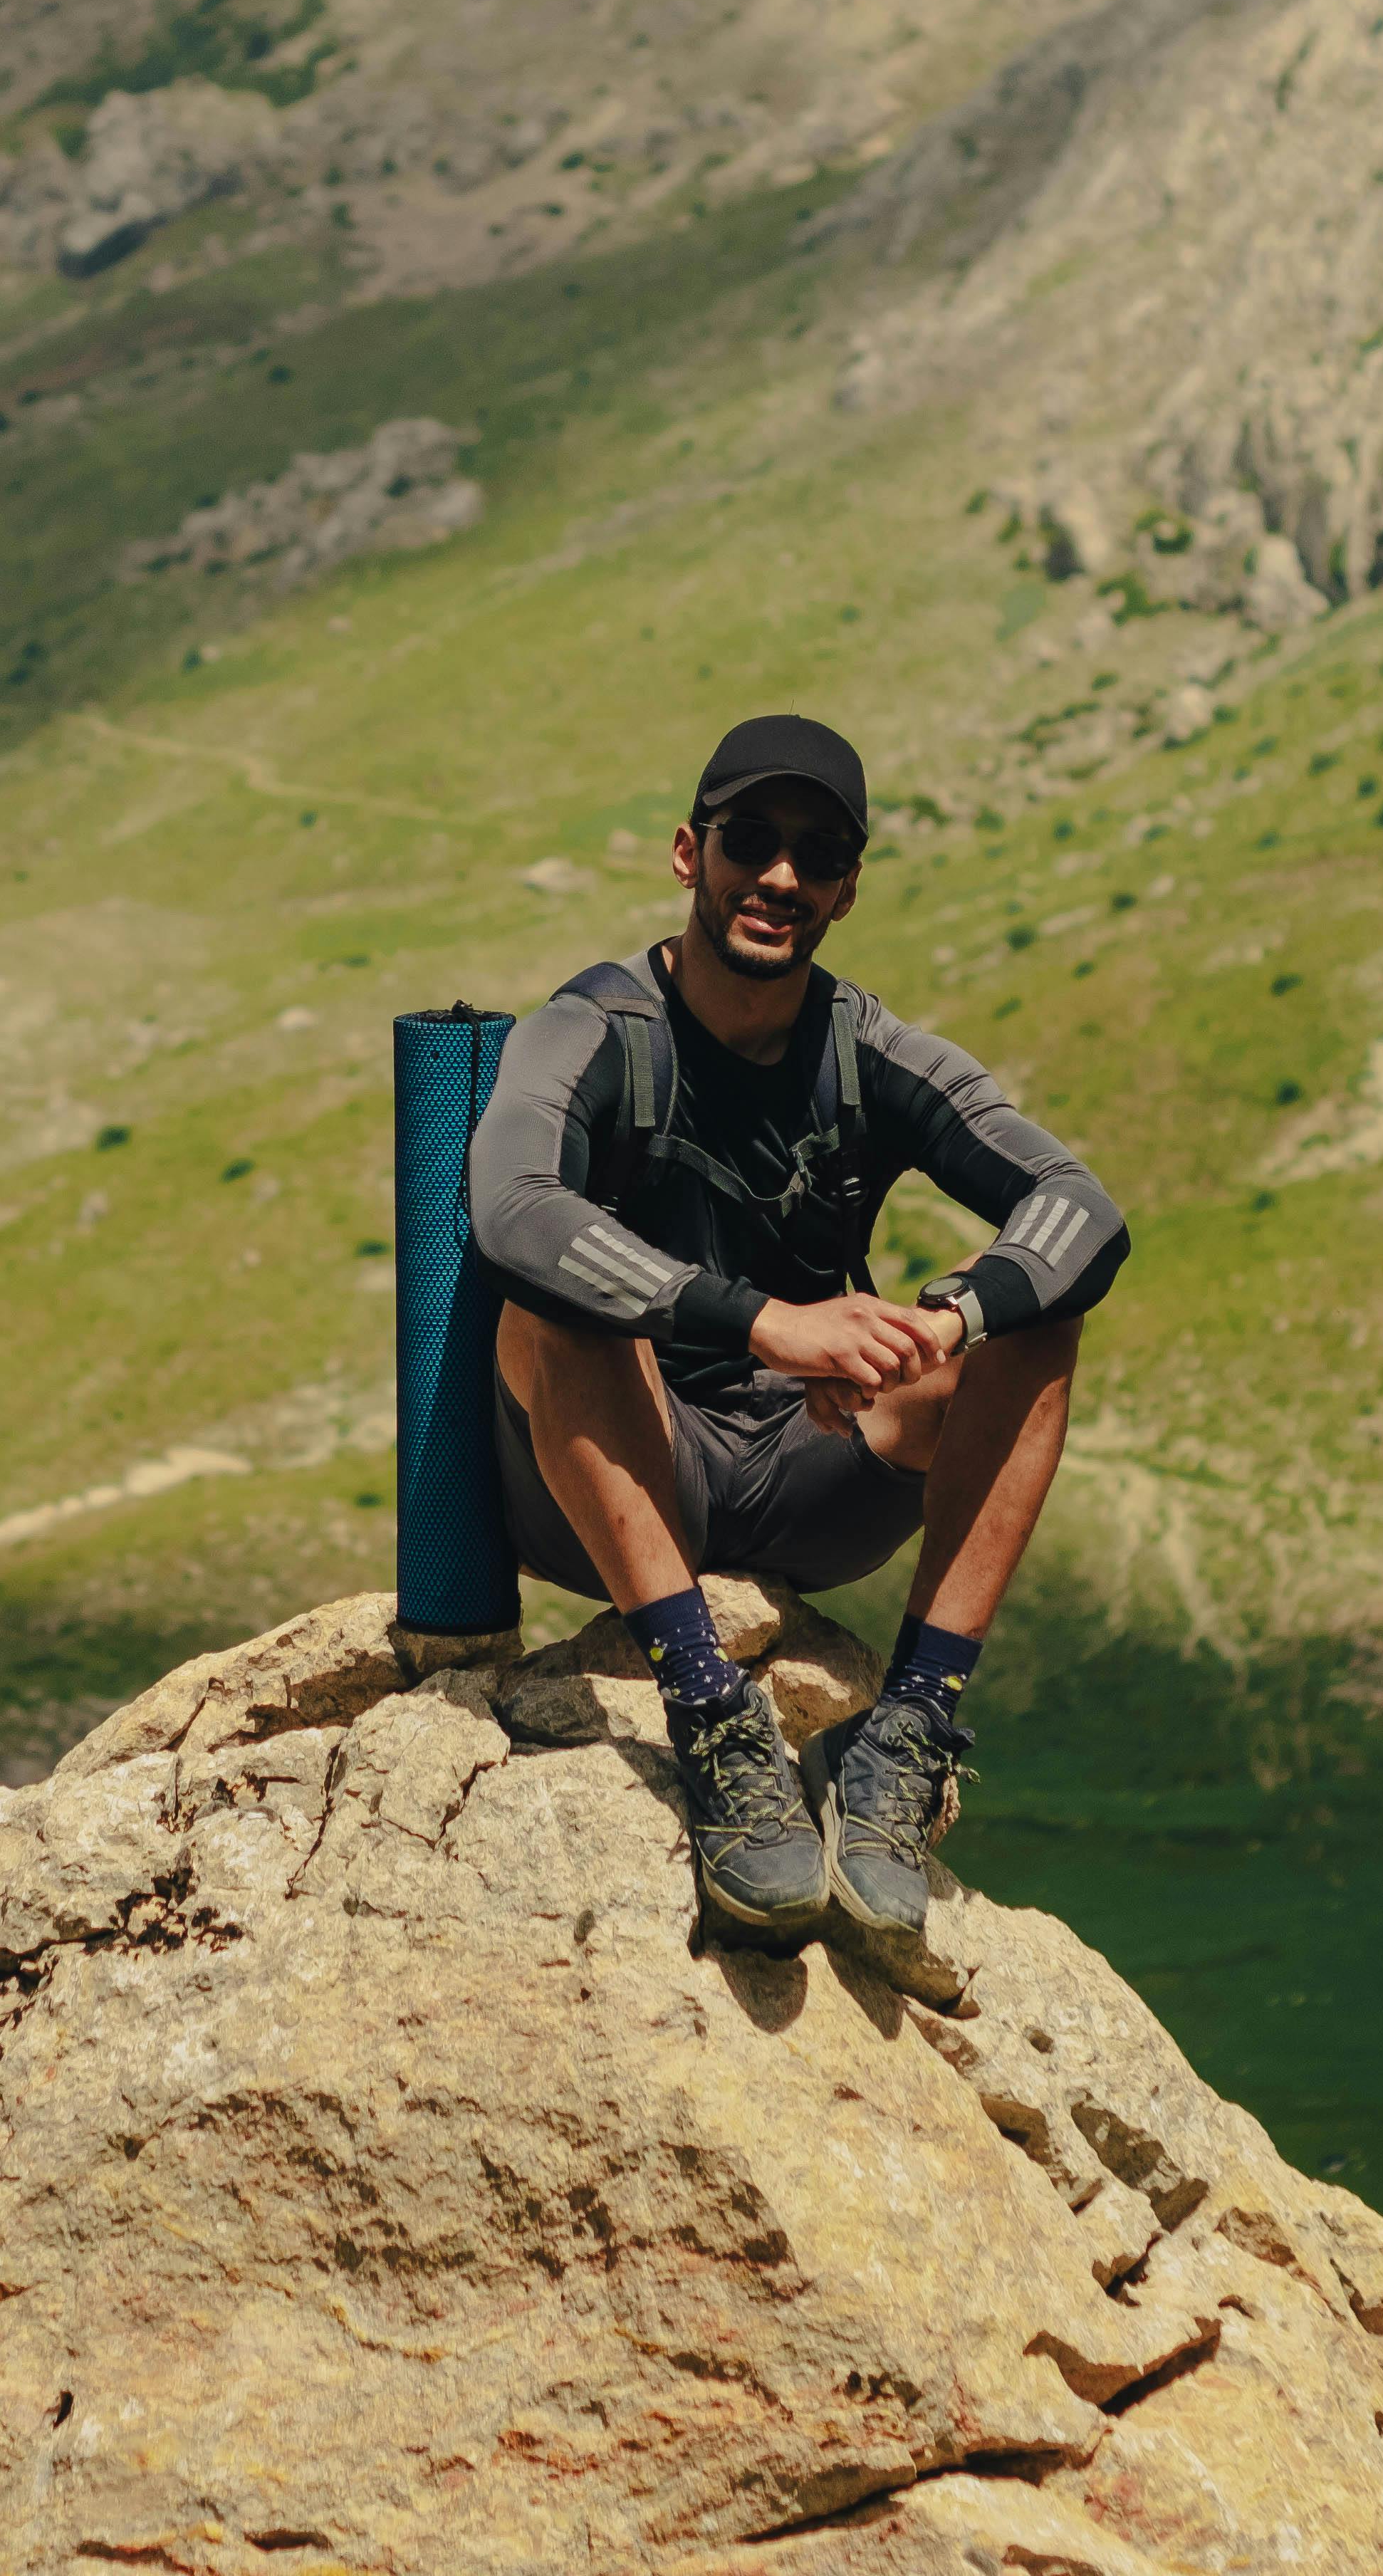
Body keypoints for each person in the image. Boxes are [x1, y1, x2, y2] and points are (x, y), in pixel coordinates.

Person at [460, 714, 1127, 1951]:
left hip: (807, 1467)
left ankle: (911, 1731)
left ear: (847, 890)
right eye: (749, 840)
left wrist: (938, 1321)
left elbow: (1080, 1208)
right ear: (686, 853)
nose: (779, 875)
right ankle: (712, 1717)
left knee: (1038, 1324)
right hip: (611, 1479)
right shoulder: (594, 1029)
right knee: (562, 1306)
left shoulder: (872, 1051)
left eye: (816, 854)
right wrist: (771, 1326)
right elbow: (509, 1209)